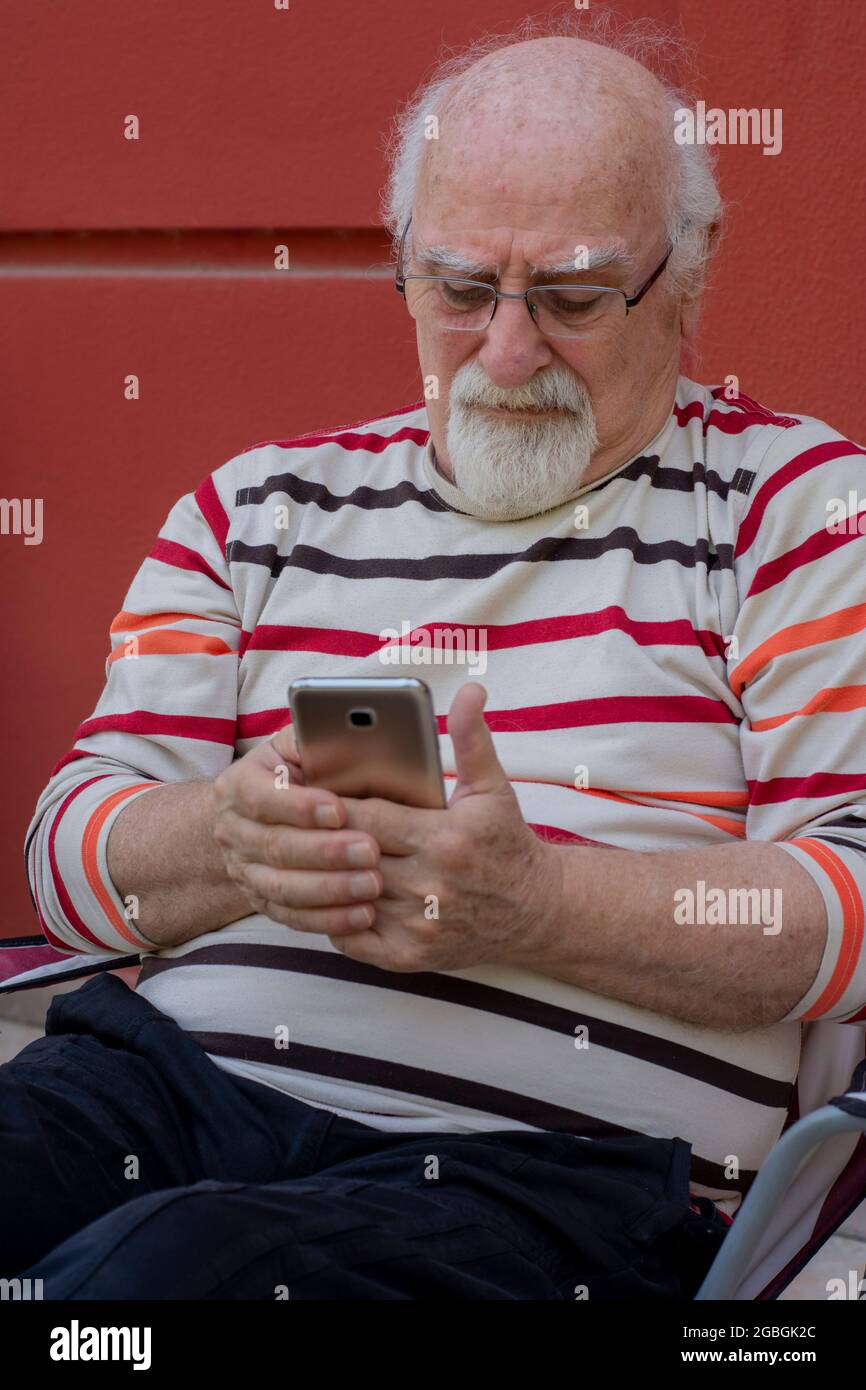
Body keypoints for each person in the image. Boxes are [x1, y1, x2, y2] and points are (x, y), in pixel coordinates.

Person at [7, 14, 866, 1300]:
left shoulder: (796, 510)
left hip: (537, 1179)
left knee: (161, 1285)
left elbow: (850, 907)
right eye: (461, 288)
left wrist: (538, 907)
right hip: (160, 1092)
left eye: (572, 295)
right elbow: (70, 859)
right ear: (404, 259)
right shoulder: (259, 506)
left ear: (685, 268)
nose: (507, 352)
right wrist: (225, 840)